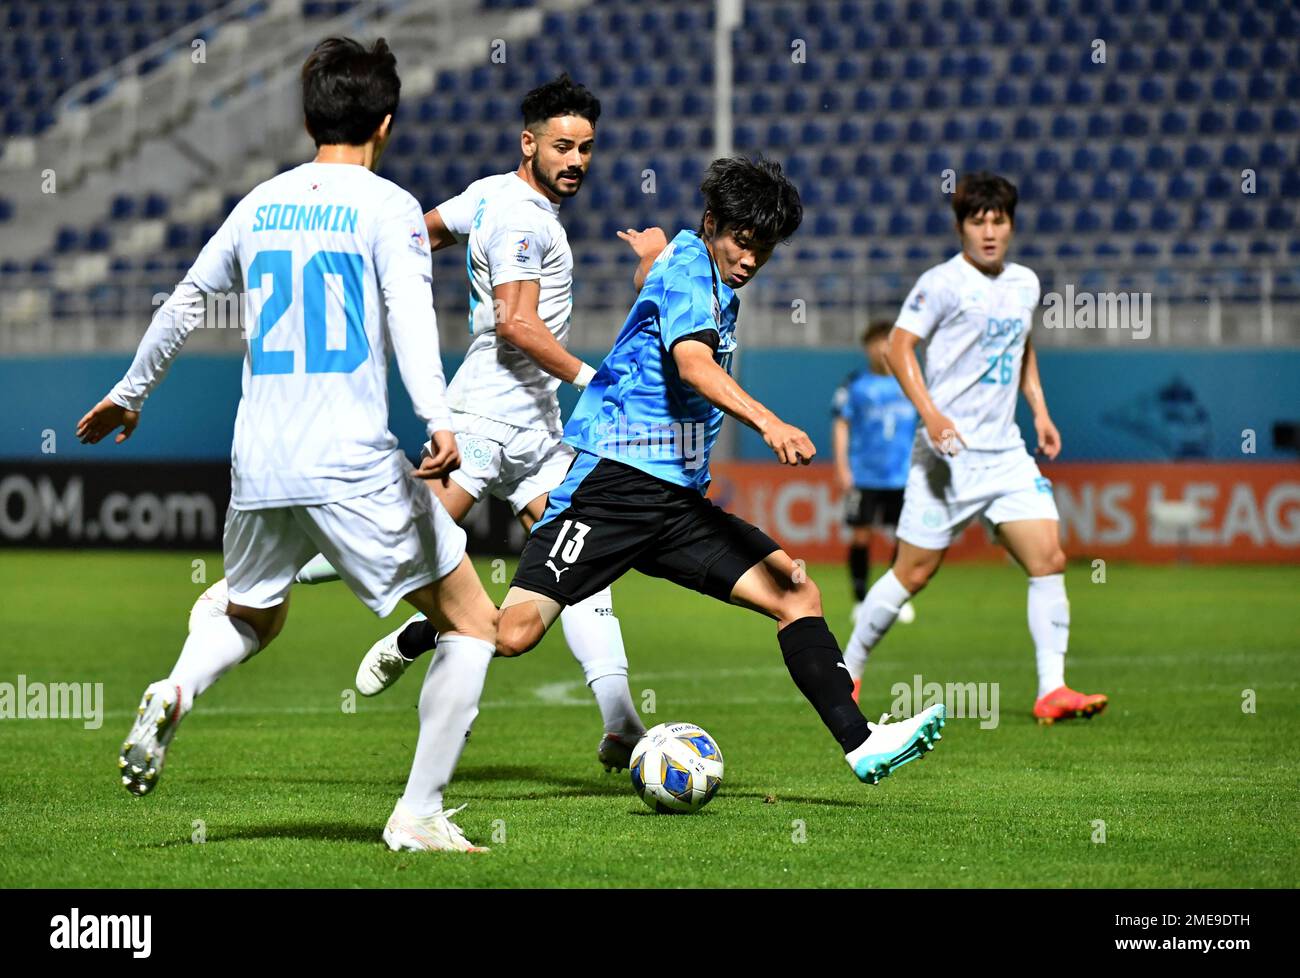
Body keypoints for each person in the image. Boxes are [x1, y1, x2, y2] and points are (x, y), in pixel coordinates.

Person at [76, 37, 499, 851]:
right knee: (474, 624)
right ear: (386, 121)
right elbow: (412, 318)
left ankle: (177, 687)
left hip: (260, 461)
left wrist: (130, 393)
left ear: (310, 119)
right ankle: (418, 814)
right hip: (351, 460)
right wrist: (438, 418)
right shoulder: (389, 207)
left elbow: (187, 301)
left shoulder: (259, 205)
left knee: (253, 615)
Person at [486, 157, 947, 784]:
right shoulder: (689, 270)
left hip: (676, 505)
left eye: (765, 249)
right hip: (614, 488)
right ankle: (429, 629)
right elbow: (693, 364)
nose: (751, 259)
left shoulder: (696, 271)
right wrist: (770, 423)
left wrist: (648, 260)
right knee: (513, 635)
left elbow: (658, 290)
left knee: (795, 593)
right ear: (711, 224)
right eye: (742, 241)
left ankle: (861, 742)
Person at [841, 171, 1108, 724]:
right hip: (947, 457)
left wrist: (1039, 409)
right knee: (913, 573)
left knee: (1048, 559)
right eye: (977, 221)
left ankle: (1052, 689)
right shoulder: (942, 283)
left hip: (1006, 453)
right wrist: (932, 415)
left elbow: (1022, 344)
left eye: (998, 221)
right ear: (961, 226)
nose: (988, 232)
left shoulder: (1025, 283)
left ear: (1011, 225)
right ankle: (849, 668)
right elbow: (897, 347)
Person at [832, 319, 918, 651]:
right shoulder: (855, 385)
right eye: (876, 342)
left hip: (902, 476)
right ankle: (860, 599)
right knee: (861, 536)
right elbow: (841, 424)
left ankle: (898, 599)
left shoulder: (911, 381)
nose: (882, 348)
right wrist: (842, 467)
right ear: (867, 348)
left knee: (904, 537)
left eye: (887, 341)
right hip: (864, 475)